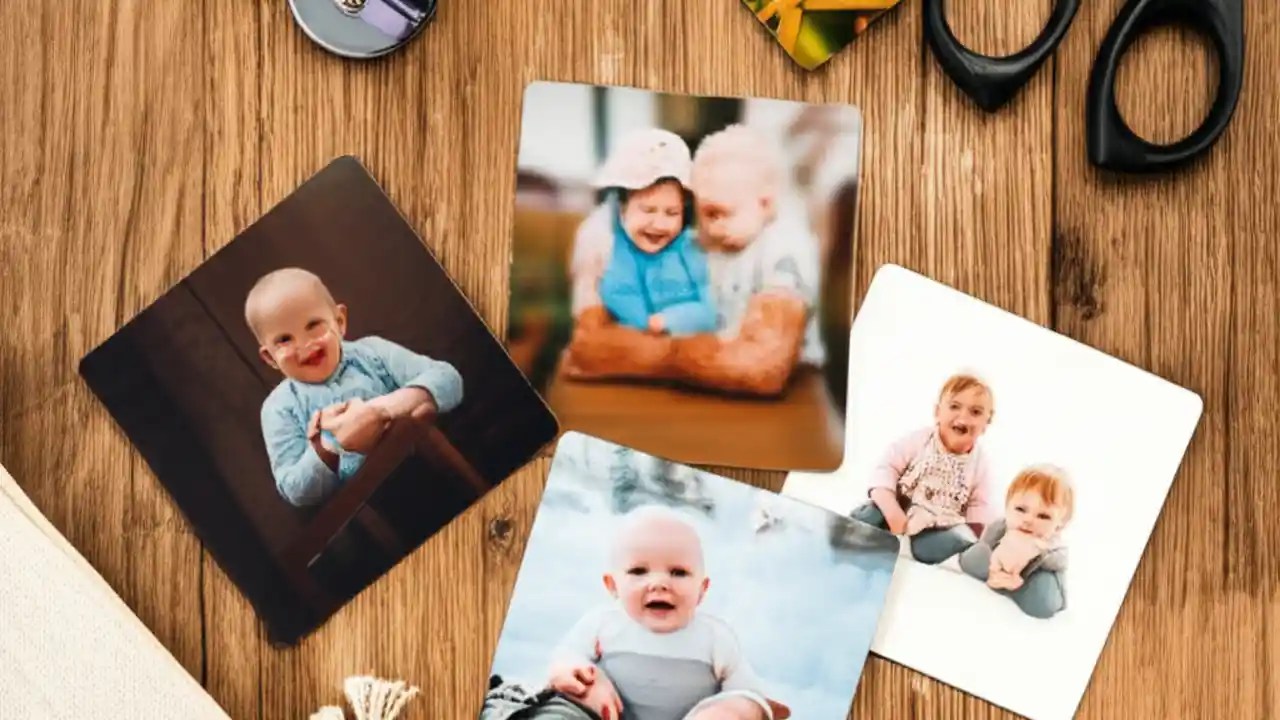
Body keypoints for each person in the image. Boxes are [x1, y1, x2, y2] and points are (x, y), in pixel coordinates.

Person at [563, 124, 823, 398]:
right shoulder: (676, 236)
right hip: (694, 390)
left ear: (766, 204)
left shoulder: (786, 242)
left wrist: (641, 352)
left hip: (780, 397)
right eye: (699, 213)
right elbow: (586, 346)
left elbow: (758, 366)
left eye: (717, 213)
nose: (706, 231)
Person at [245, 267, 463, 507]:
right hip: (373, 507)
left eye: (313, 324)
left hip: (437, 462)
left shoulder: (372, 352)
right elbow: (295, 491)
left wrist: (379, 411)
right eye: (285, 339)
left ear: (339, 322)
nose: (305, 345)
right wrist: (332, 445)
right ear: (270, 357)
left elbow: (448, 379)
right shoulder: (278, 408)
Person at [547, 506, 785, 720]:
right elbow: (567, 655)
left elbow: (748, 692)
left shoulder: (715, 639)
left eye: (678, 573)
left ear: (702, 590)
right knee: (567, 702)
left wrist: (733, 709)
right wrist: (577, 675)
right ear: (612, 585)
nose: (659, 583)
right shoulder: (601, 625)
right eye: (639, 571)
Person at [850, 372, 995, 564]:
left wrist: (974, 534)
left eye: (975, 412)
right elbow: (887, 468)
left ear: (986, 423)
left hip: (935, 523)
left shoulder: (980, 465)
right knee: (870, 515)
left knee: (928, 550)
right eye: (954, 407)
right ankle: (854, 532)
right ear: (937, 412)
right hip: (898, 505)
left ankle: (959, 546)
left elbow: (979, 505)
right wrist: (892, 510)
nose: (964, 417)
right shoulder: (920, 440)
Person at [591, 128, 716, 337]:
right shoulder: (618, 251)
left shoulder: (689, 248)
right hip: (640, 347)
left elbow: (712, 305)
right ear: (622, 210)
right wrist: (645, 324)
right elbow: (616, 291)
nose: (658, 224)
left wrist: (669, 320)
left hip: (691, 343)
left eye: (672, 213)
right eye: (647, 210)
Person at [959, 465, 1073, 619]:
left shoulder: (1053, 542)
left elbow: (1060, 561)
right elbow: (987, 540)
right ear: (1007, 506)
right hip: (997, 561)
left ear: (1060, 524)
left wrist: (1037, 550)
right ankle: (963, 546)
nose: (1028, 520)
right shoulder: (1002, 525)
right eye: (1020, 509)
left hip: (1031, 575)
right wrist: (992, 561)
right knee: (972, 560)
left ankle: (1015, 588)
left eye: (1043, 516)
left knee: (1043, 602)